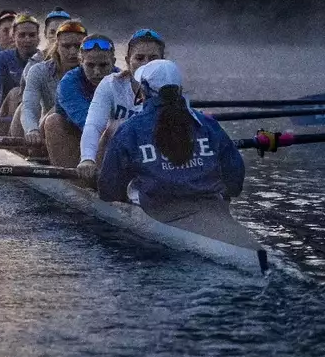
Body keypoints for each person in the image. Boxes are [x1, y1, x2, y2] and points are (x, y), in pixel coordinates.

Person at [88, 59, 246, 234]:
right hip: (213, 211)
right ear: (179, 90)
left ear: (144, 91)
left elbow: (110, 190)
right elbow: (235, 177)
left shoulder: (129, 130)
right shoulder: (208, 124)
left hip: (157, 212)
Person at [77, 28, 166, 172]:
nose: (146, 64)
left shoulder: (170, 87)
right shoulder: (110, 84)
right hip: (119, 157)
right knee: (116, 128)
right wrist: (87, 158)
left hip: (156, 156)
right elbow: (93, 125)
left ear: (163, 62)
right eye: (139, 58)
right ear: (127, 61)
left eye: (153, 58)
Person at [43, 33, 117, 166]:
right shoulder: (68, 83)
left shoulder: (122, 79)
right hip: (74, 135)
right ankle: (72, 180)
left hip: (105, 137)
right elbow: (87, 123)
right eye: (90, 65)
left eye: (103, 65)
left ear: (114, 62)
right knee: (53, 121)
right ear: (81, 62)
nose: (97, 72)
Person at [17, 20, 87, 144]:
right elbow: (29, 107)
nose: (72, 52)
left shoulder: (96, 71)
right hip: (48, 129)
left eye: (78, 46)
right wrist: (32, 130)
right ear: (56, 46)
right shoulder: (38, 70)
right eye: (66, 46)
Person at [0, 13, 40, 118]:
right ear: (13, 36)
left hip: (35, 117)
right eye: (22, 35)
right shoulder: (2, 58)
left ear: (38, 38)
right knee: (16, 93)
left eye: (32, 35)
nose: (27, 40)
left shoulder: (45, 60)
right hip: (7, 119)